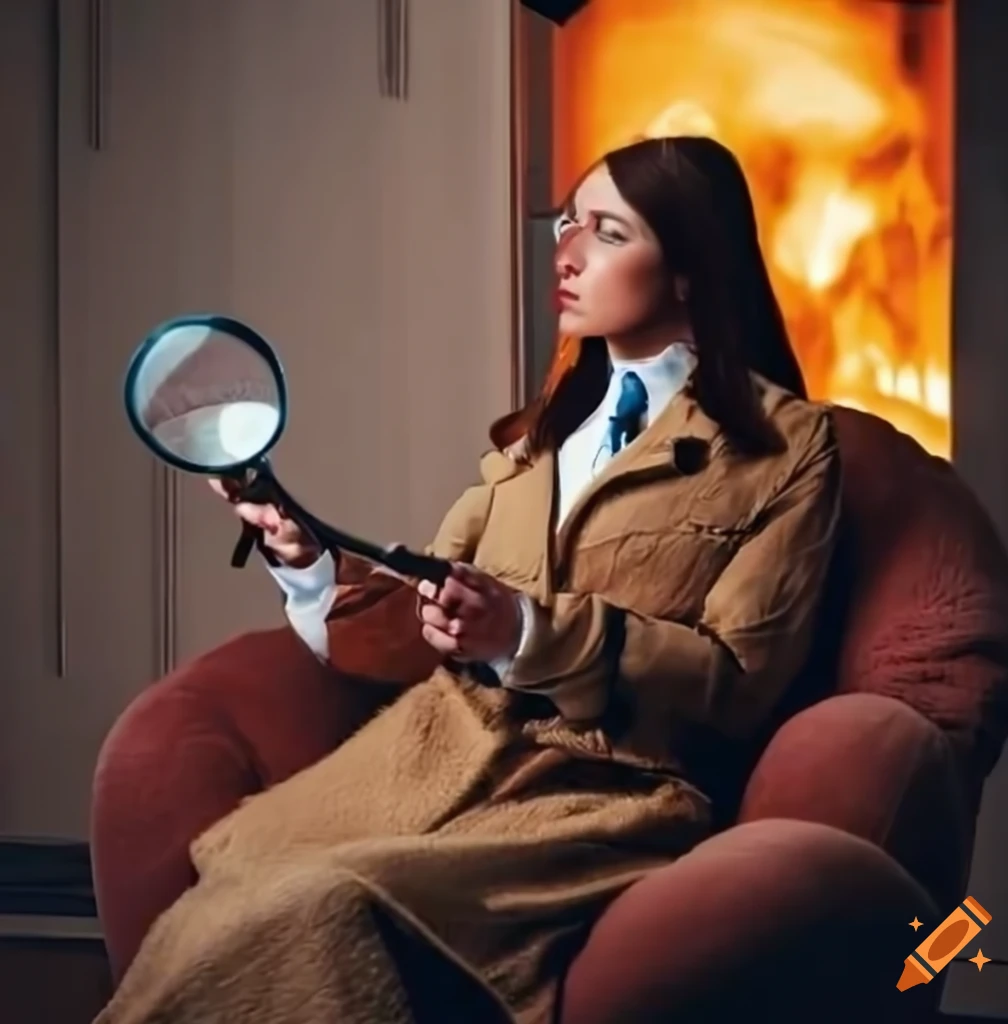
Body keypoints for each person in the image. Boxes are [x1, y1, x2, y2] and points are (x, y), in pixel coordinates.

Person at [95, 136, 840, 1024]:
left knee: (328, 903)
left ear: (688, 270)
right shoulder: (530, 444)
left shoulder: (787, 450)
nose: (564, 253)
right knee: (241, 880)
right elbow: (426, 617)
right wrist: (311, 564)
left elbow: (741, 680)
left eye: (606, 233)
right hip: (428, 756)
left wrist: (526, 636)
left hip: (596, 795)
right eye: (567, 223)